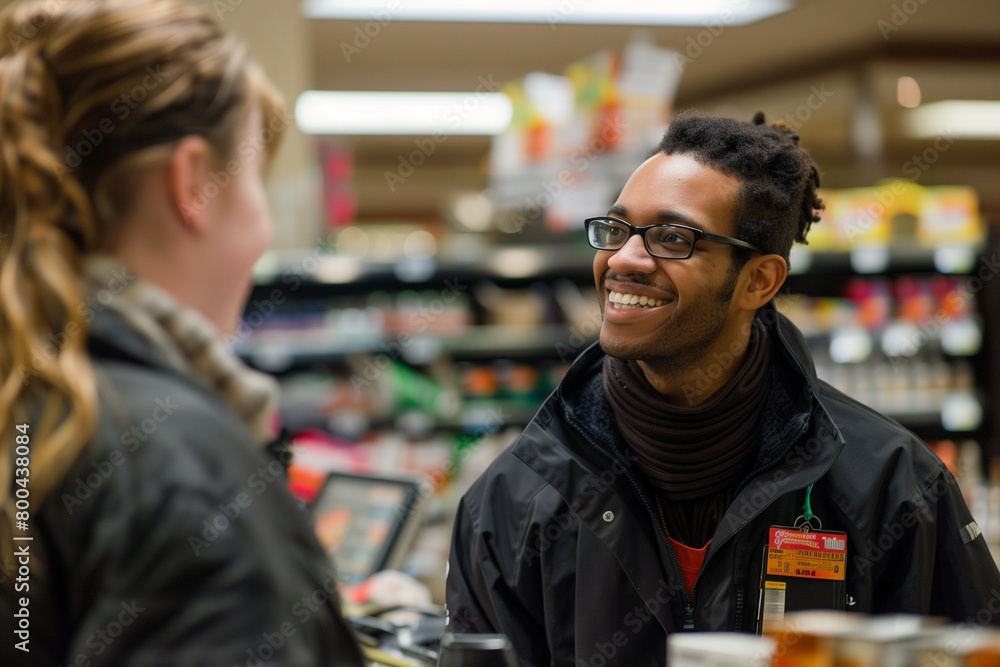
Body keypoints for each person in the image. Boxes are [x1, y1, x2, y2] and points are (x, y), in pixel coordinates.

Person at [445, 112, 1000, 666]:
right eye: (616, 230)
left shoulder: (894, 485)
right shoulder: (512, 498)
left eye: (671, 238)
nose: (623, 259)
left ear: (759, 281)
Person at [0, 1, 365, 664]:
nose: (262, 233)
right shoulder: (181, 464)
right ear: (194, 181)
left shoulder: (30, 406)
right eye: (255, 178)